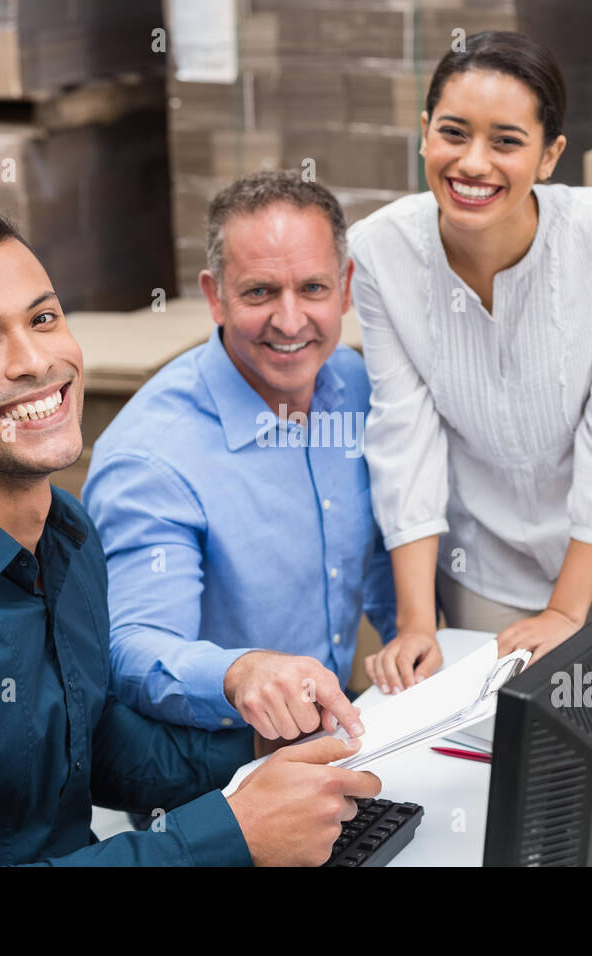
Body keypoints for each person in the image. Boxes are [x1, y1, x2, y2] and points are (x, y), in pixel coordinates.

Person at [0, 204, 380, 866]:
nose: (34, 361)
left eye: (44, 319)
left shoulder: (63, 532)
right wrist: (237, 833)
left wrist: (263, 748)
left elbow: (96, 741)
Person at [348, 31, 592, 693]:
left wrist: (566, 609)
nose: (473, 163)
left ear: (550, 154)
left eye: (506, 141)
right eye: (453, 133)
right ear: (423, 134)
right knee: (497, 755)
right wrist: (418, 623)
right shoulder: (380, 251)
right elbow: (404, 434)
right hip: (488, 565)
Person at [83, 171, 396, 743]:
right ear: (214, 296)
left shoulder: (354, 385)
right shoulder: (151, 457)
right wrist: (240, 672)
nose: (291, 320)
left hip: (337, 736)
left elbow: (379, 546)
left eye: (313, 288)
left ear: (345, 287)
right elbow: (132, 645)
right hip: (210, 771)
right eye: (259, 292)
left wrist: (408, 633)